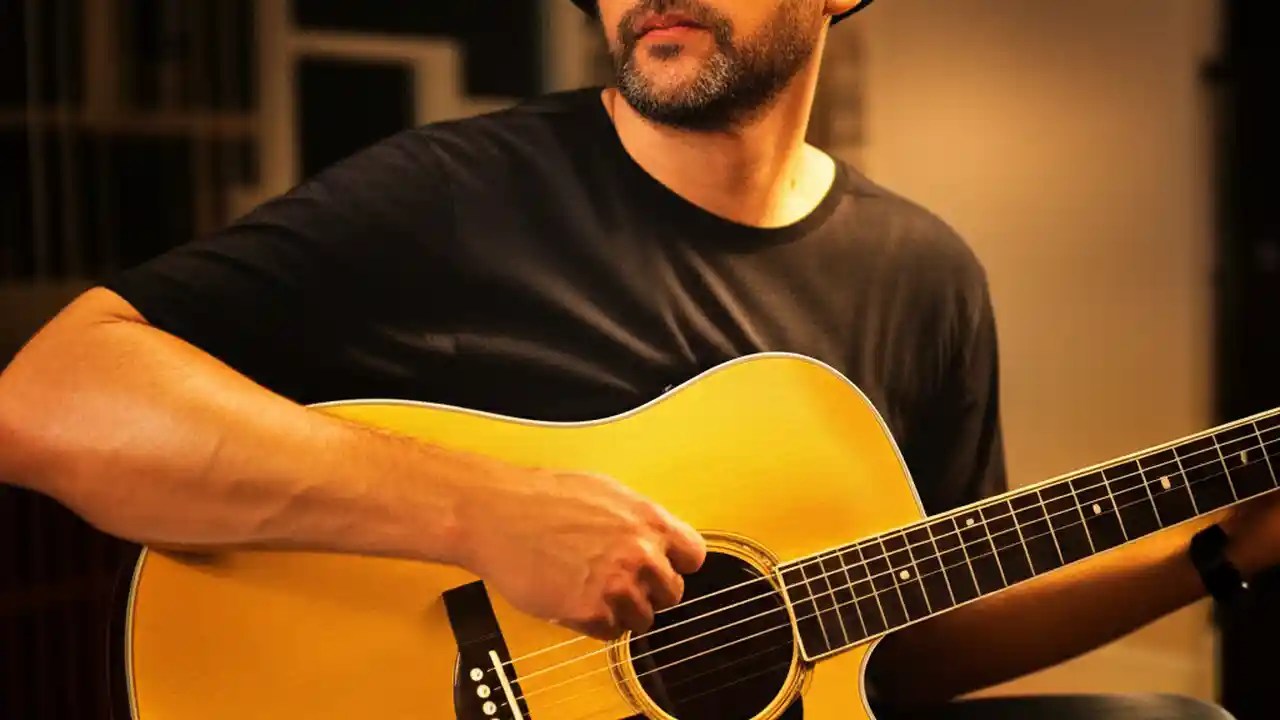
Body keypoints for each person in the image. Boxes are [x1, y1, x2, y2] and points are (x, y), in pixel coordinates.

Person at [0, 0, 1272, 717]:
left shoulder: (919, 274)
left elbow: (895, 646)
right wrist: (478, 514)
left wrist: (1215, 551)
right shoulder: (453, 195)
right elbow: (47, 398)